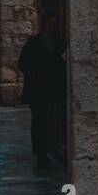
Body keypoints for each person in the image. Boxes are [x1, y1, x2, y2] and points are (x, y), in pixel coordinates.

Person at [18, 11, 66, 170]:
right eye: (49, 24)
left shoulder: (59, 45)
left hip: (53, 90)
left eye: (54, 24)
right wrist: (34, 75)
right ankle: (40, 153)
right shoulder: (33, 43)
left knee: (53, 122)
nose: (52, 27)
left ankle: (53, 149)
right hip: (37, 90)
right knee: (39, 122)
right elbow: (22, 63)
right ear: (44, 25)